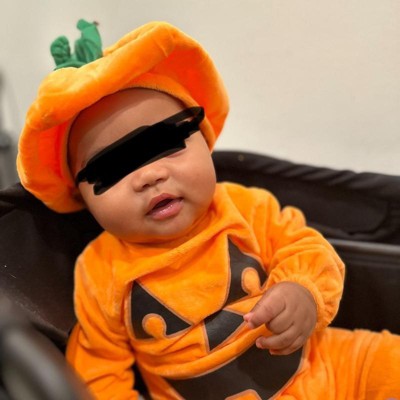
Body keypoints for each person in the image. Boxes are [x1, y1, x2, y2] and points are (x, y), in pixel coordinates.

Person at [17, 20, 400, 400]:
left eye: (164, 145)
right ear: (82, 198)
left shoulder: (245, 205)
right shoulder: (101, 272)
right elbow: (98, 373)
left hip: (325, 364)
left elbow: (307, 247)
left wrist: (303, 291)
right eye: (112, 170)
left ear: (205, 139)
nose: (149, 176)